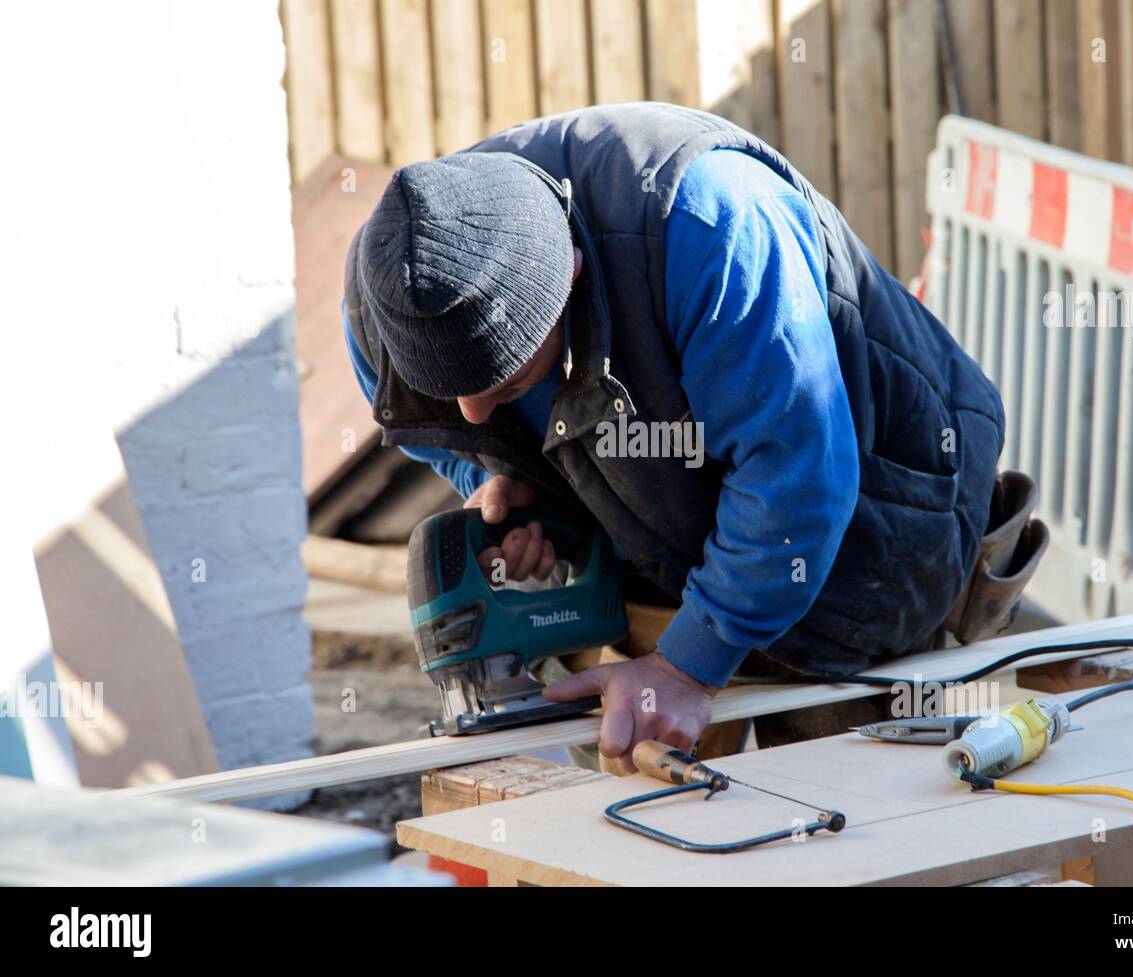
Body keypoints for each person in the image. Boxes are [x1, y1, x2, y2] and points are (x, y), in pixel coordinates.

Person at [343, 103, 1043, 772]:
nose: (470, 411)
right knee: (637, 821)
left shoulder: (711, 227)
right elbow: (438, 430)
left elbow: (796, 478)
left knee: (843, 820)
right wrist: (499, 478)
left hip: (868, 527)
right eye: (450, 387)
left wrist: (686, 665)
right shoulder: (392, 290)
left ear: (569, 281)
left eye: (503, 383)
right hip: (664, 532)